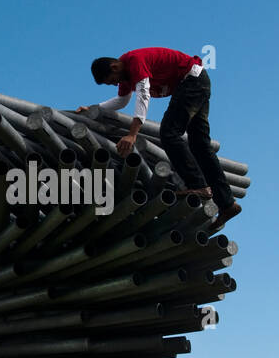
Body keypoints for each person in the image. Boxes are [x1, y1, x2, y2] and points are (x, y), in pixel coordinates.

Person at [78, 47, 241, 232]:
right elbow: (121, 101)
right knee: (200, 145)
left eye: (111, 81)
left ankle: (198, 185)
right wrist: (93, 108)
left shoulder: (135, 62)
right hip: (198, 82)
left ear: (114, 67)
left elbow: (143, 95)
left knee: (169, 134)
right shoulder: (125, 76)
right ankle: (227, 204)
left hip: (192, 81)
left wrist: (132, 134)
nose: (114, 84)